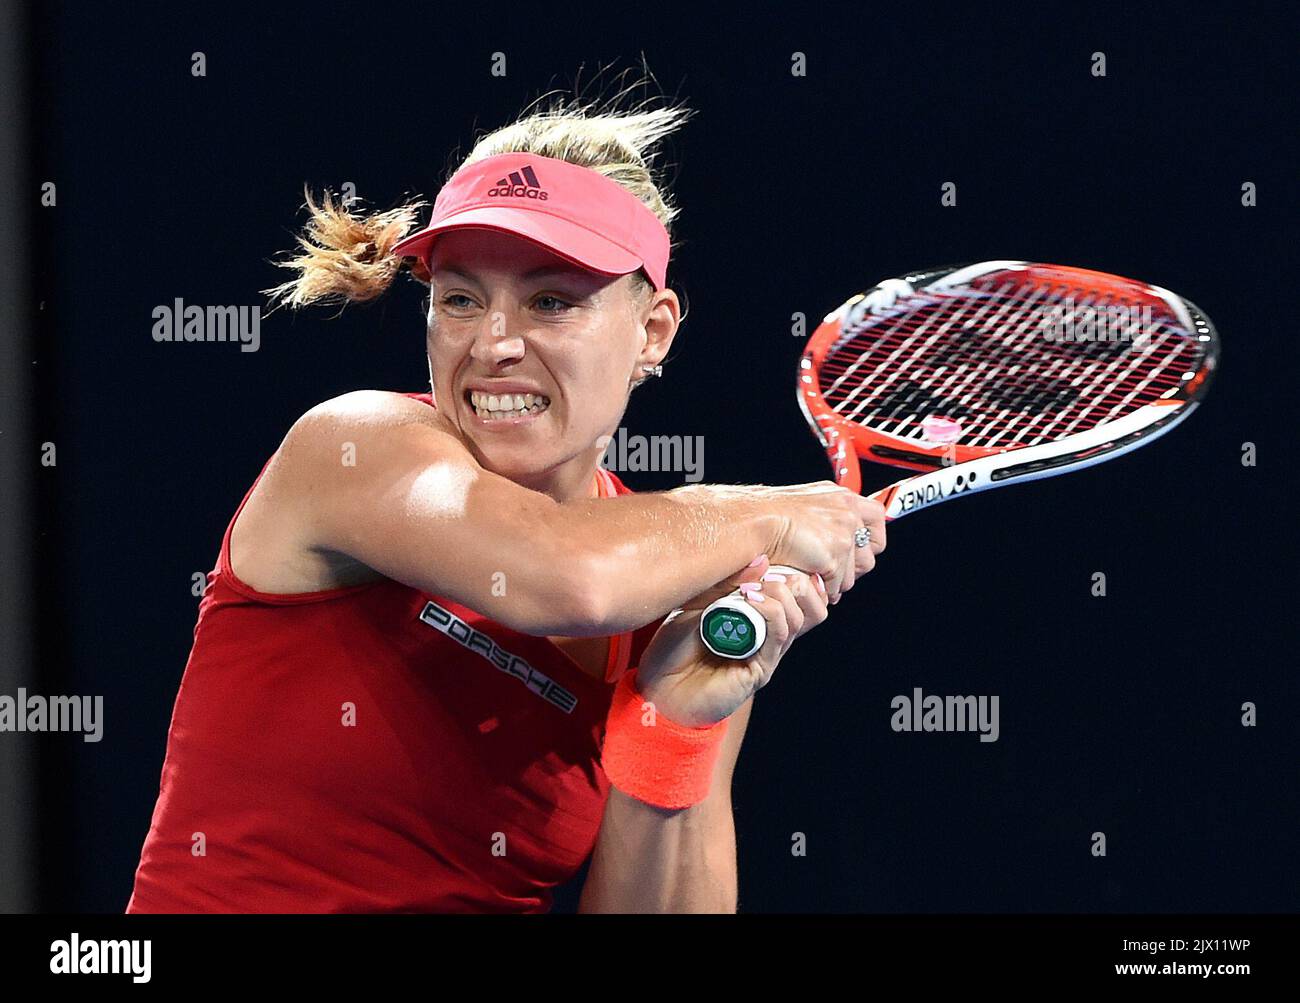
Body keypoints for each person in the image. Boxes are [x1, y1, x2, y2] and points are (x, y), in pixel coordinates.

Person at [126, 88, 885, 914]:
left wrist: (671, 727)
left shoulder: (683, 588)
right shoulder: (352, 445)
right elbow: (567, 574)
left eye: (550, 300)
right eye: (459, 298)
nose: (493, 343)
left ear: (654, 332)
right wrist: (771, 511)